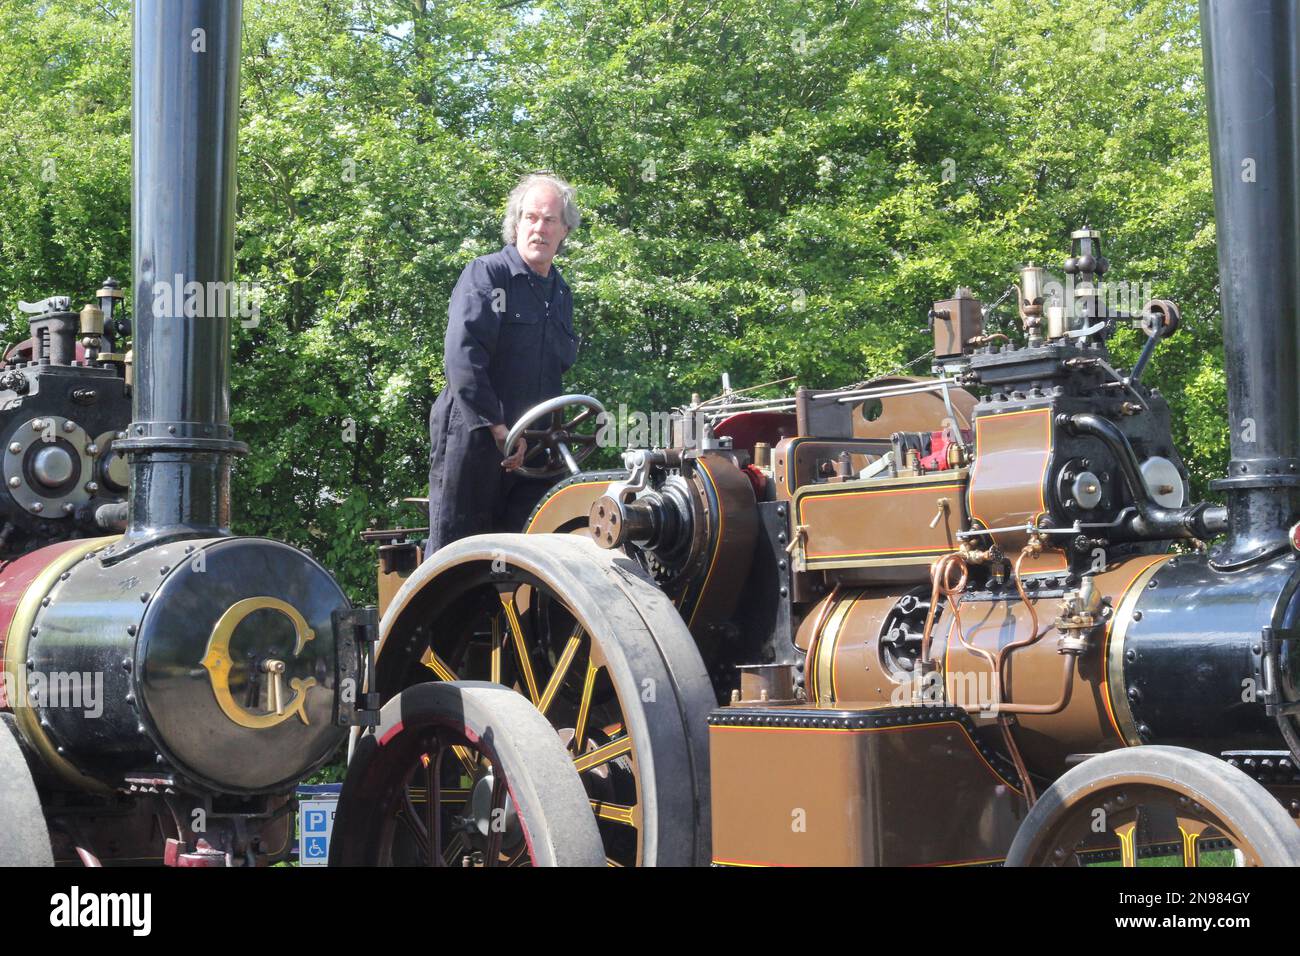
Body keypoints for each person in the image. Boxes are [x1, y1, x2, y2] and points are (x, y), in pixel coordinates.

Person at [425, 172, 581, 556]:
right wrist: (498, 428)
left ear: (565, 230)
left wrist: (531, 438)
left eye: (549, 220)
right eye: (530, 217)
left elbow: (556, 370)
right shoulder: (488, 274)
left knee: (528, 556)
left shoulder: (560, 293)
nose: (538, 228)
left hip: (534, 448)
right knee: (458, 555)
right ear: (516, 224)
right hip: (475, 438)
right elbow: (463, 356)